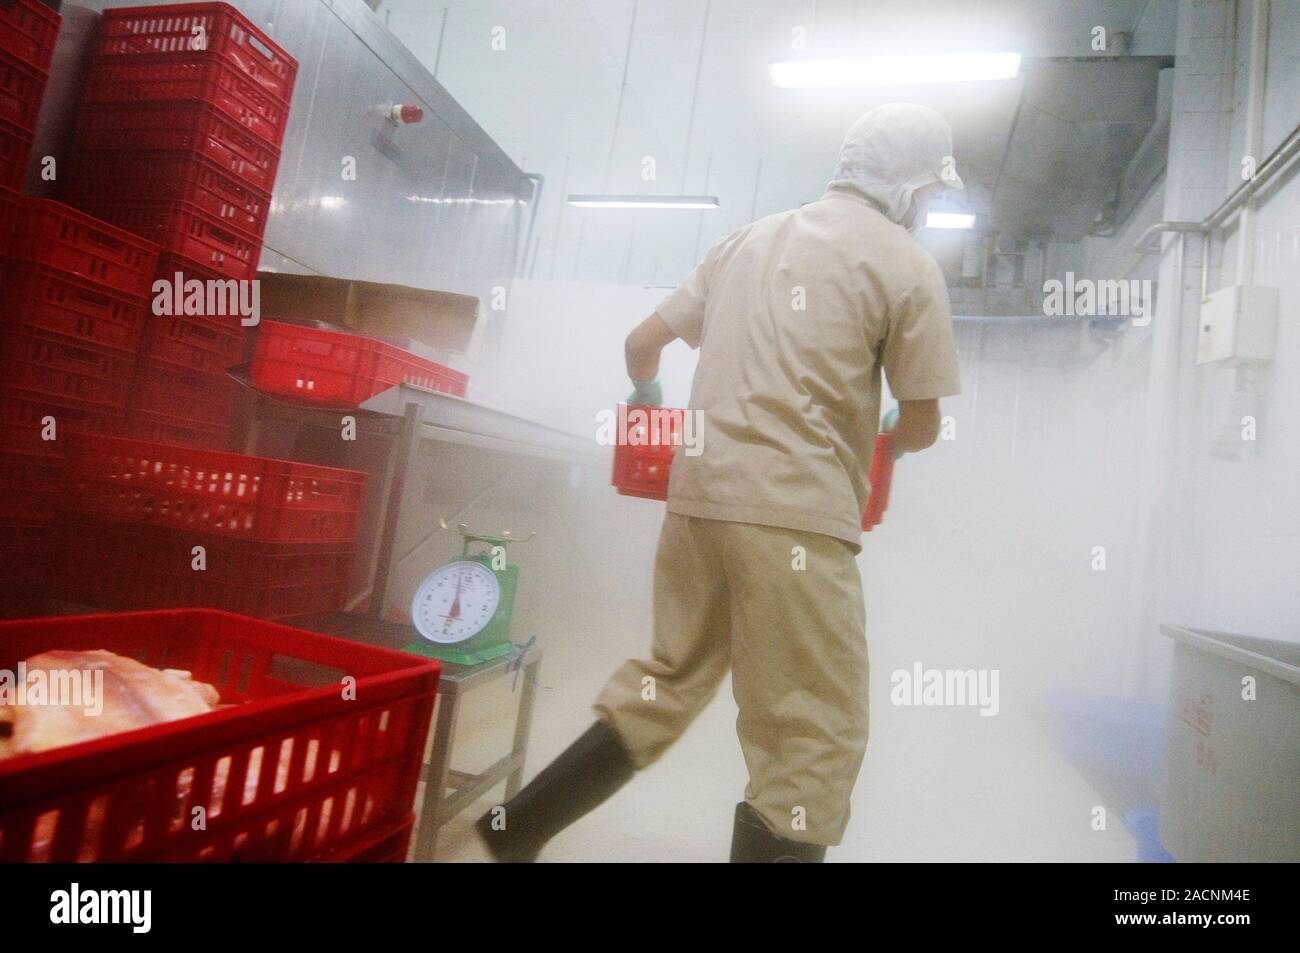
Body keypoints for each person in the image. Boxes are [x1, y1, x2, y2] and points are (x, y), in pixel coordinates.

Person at [477, 102, 964, 862]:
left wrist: (648, 398)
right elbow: (925, 425)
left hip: (698, 498)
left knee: (666, 680)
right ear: (906, 186)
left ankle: (519, 828)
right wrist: (890, 442)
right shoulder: (904, 263)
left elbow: (642, 343)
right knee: (811, 737)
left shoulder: (749, 239)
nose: (930, 205)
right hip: (797, 515)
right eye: (931, 190)